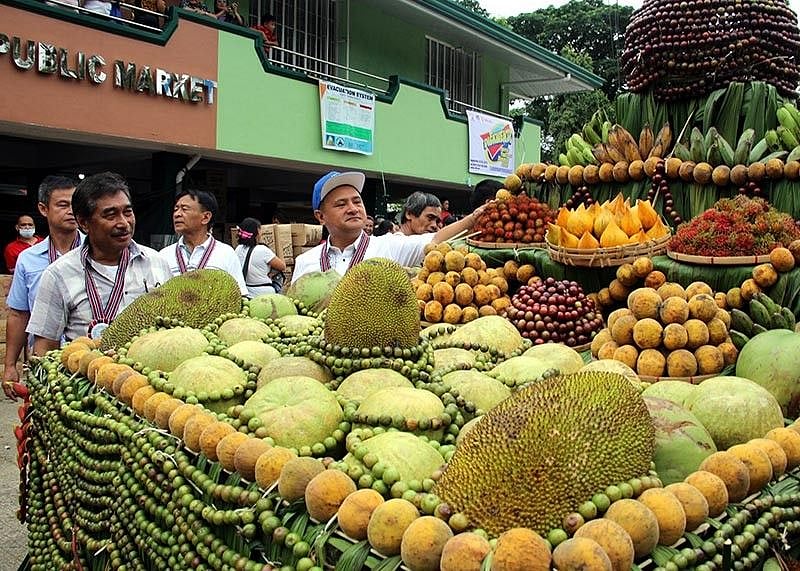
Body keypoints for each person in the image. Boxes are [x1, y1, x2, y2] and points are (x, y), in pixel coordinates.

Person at [27, 172, 173, 354]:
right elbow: (45, 348)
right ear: (84, 223)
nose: (124, 223)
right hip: (88, 379)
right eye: (110, 215)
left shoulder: (157, 263)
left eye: (127, 212)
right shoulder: (59, 274)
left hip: (147, 380)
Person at [292, 171, 486, 283]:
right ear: (320, 216)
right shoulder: (305, 261)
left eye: (357, 202)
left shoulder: (389, 246)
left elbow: (435, 240)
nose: (353, 209)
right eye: (341, 204)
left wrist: (473, 219)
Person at [3, 176, 83, 399]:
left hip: (88, 364)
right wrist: (10, 365)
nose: (71, 211)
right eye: (63, 205)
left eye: (75, 204)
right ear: (43, 208)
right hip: (45, 362)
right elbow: (19, 314)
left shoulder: (98, 253)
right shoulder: (28, 259)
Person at [159, 189, 248, 295]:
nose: (177, 214)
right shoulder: (163, 255)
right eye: (176, 209)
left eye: (184, 209)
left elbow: (240, 295)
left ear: (205, 217)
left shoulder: (226, 253)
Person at [234, 217, 286, 297]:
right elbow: (282, 266)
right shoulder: (262, 250)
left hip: (247, 292)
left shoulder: (238, 249)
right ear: (256, 232)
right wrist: (280, 243)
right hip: (264, 293)